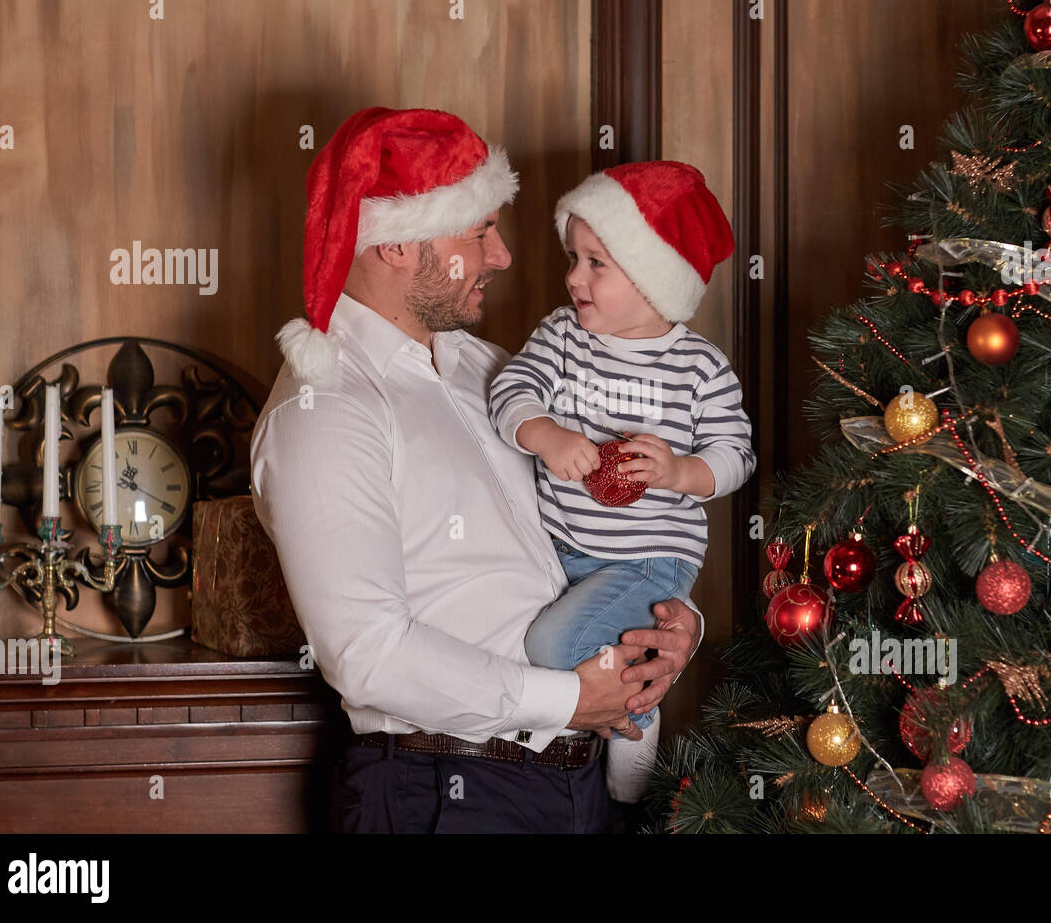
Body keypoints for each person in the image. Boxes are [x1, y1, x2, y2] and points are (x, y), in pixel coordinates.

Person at [249, 108, 702, 834]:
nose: (503, 256)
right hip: (446, 793)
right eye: (479, 232)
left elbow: (603, 536)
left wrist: (670, 624)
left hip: (577, 788)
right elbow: (367, 654)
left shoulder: (493, 373)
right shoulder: (325, 406)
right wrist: (569, 702)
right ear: (398, 244)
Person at [488, 162, 756, 803]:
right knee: (522, 634)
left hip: (647, 560)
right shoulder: (563, 335)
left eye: (596, 263)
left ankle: (633, 718)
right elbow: (511, 388)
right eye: (572, 258)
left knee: (555, 644)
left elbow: (736, 455)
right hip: (559, 550)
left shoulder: (699, 368)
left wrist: (681, 471)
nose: (573, 277)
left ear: (654, 275)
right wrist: (544, 435)